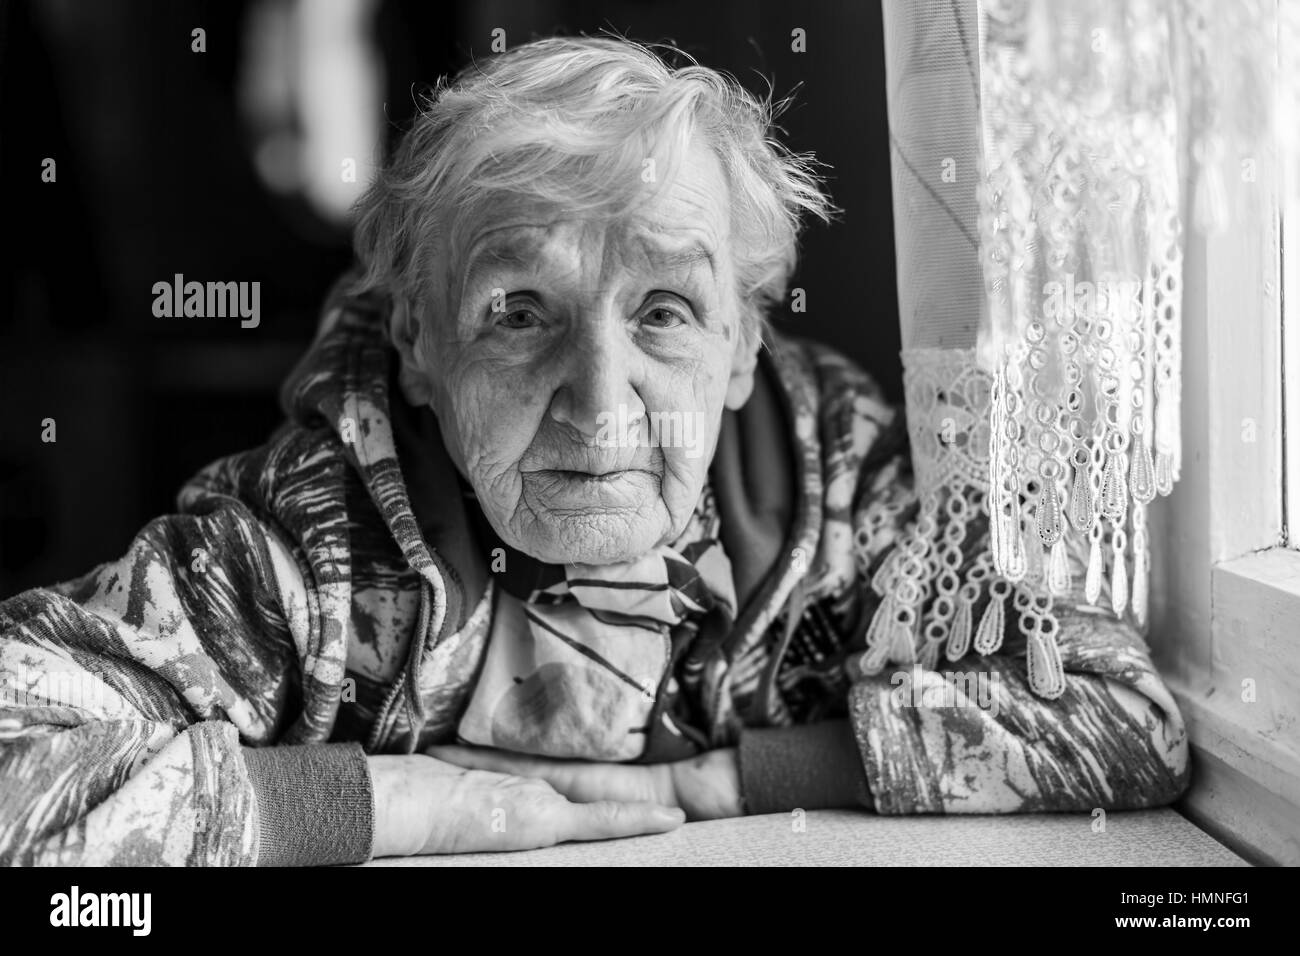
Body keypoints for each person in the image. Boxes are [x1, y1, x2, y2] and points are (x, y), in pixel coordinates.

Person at [0, 36, 1189, 866]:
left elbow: (1120, 716)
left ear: (738, 349)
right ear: (418, 340)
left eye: (663, 312)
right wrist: (368, 805)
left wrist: (733, 780)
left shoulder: (848, 501)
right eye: (521, 311)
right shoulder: (296, 545)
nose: (600, 406)